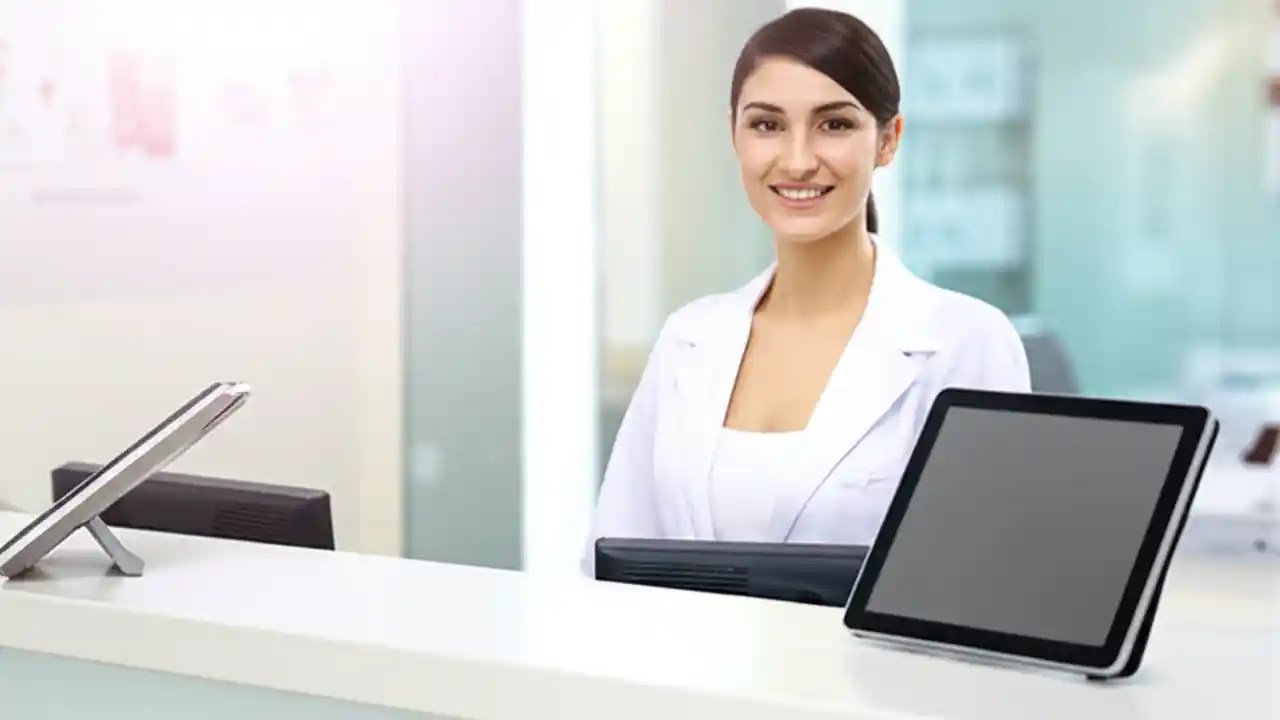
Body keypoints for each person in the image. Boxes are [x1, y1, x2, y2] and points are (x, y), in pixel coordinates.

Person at [582, 8, 1030, 575]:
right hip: (677, 665)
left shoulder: (966, 341)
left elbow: (990, 589)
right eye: (767, 125)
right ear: (734, 135)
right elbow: (611, 561)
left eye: (834, 125)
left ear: (888, 140)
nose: (797, 161)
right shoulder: (689, 338)